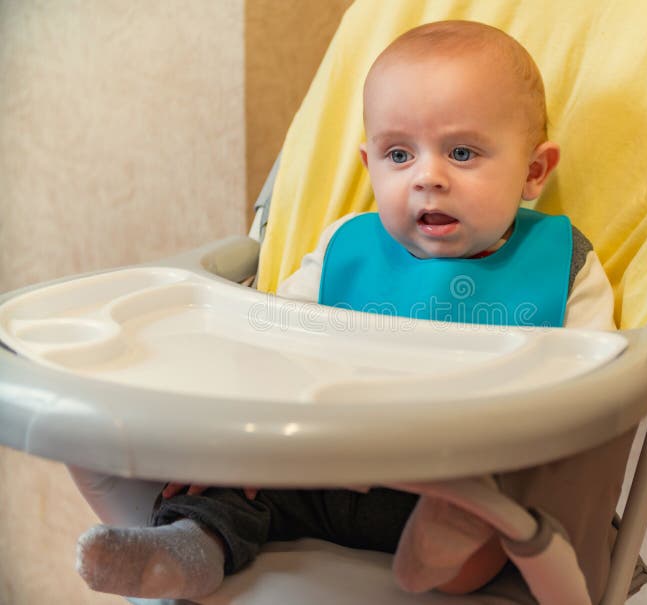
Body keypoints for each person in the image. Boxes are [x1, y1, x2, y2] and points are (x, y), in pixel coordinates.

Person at [76, 20, 615, 600]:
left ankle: (440, 552)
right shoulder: (344, 249)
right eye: (399, 154)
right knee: (223, 489)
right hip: (316, 465)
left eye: (462, 152)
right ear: (369, 164)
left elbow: (602, 386)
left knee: (496, 515)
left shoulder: (562, 267)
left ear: (534, 171)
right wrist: (234, 446)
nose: (427, 178)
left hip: (453, 484)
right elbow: (265, 345)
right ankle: (184, 551)